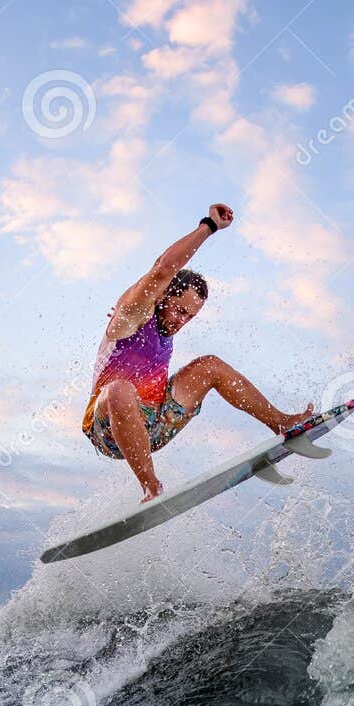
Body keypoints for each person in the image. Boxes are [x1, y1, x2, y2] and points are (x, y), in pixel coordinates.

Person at [80, 203, 314, 501]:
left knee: (210, 365)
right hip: (110, 430)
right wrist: (209, 226)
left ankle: (281, 422)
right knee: (119, 390)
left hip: (157, 422)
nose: (182, 321)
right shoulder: (130, 315)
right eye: (179, 310)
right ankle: (151, 487)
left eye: (190, 316)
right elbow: (162, 269)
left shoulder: (169, 325)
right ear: (162, 295)